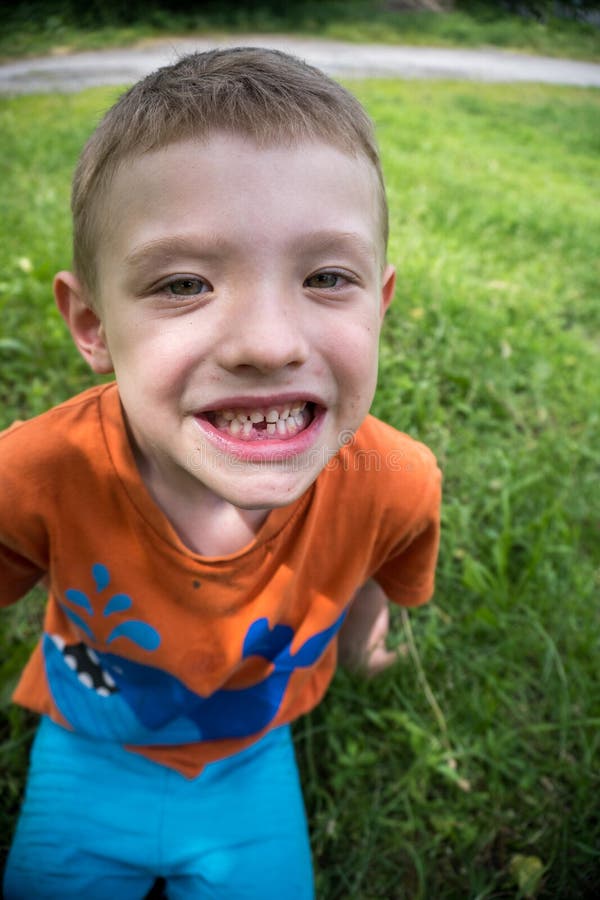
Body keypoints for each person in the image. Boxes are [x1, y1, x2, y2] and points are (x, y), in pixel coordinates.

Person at [1, 47, 441, 899]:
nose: (269, 343)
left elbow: (380, 572)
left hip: (250, 757)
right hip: (86, 742)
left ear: (379, 304)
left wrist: (365, 648)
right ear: (92, 325)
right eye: (184, 283)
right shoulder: (36, 470)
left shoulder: (397, 479)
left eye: (326, 277)